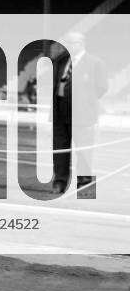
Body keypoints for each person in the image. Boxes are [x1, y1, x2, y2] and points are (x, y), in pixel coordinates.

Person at [51, 31, 107, 194]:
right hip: (60, 113)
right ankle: (59, 182)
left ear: (81, 43)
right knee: (60, 151)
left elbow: (102, 87)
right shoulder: (61, 61)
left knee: (84, 152)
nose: (68, 46)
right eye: (67, 43)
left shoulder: (95, 63)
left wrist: (85, 102)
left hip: (83, 115)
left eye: (71, 43)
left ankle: (85, 185)